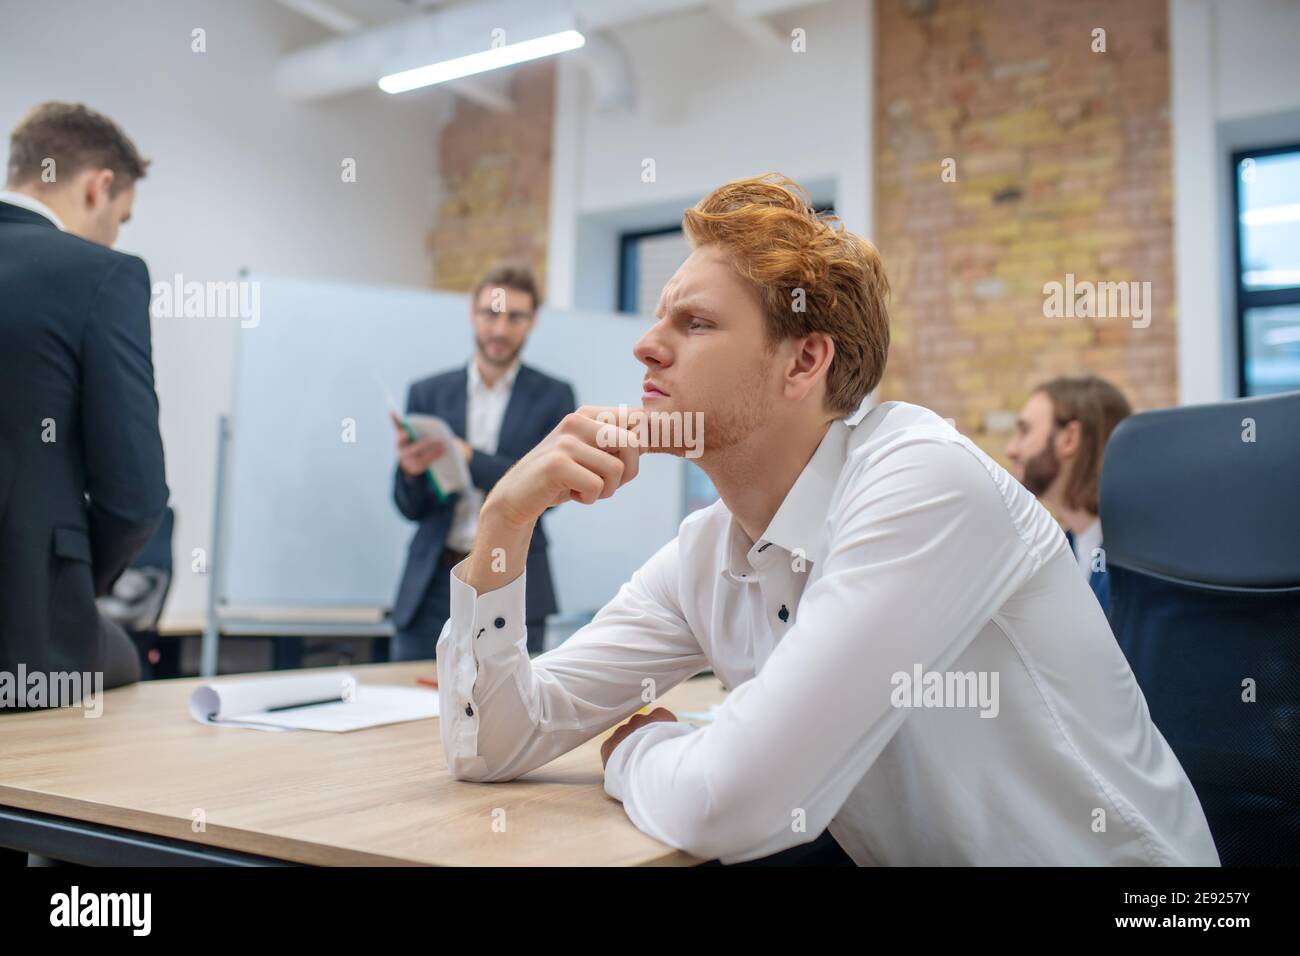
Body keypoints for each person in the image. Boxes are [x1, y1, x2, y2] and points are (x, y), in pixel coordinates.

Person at [431, 173, 1219, 866]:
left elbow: (732, 806)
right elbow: (490, 743)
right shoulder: (707, 551)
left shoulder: (922, 481)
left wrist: (638, 749)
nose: (646, 347)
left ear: (804, 362)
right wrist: (505, 520)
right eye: (660, 319)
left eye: (694, 323)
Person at [0, 102, 168, 699]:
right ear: (99, 188)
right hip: (22, 643)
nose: (116, 235)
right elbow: (137, 496)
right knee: (125, 660)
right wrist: (69, 584)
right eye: (121, 217)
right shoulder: (101, 275)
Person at [390, 263, 576, 660]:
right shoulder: (428, 393)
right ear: (473, 314)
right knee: (408, 709)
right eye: (491, 314)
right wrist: (409, 471)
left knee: (508, 713)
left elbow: (551, 491)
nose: (500, 329)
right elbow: (410, 508)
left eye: (515, 317)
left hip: (514, 583)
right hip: (433, 585)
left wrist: (469, 458)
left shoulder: (554, 397)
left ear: (532, 321)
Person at [1005, 376, 1132, 616]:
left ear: (1070, 438)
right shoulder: (1063, 549)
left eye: (1024, 431)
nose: (1010, 449)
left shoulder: (1135, 560)